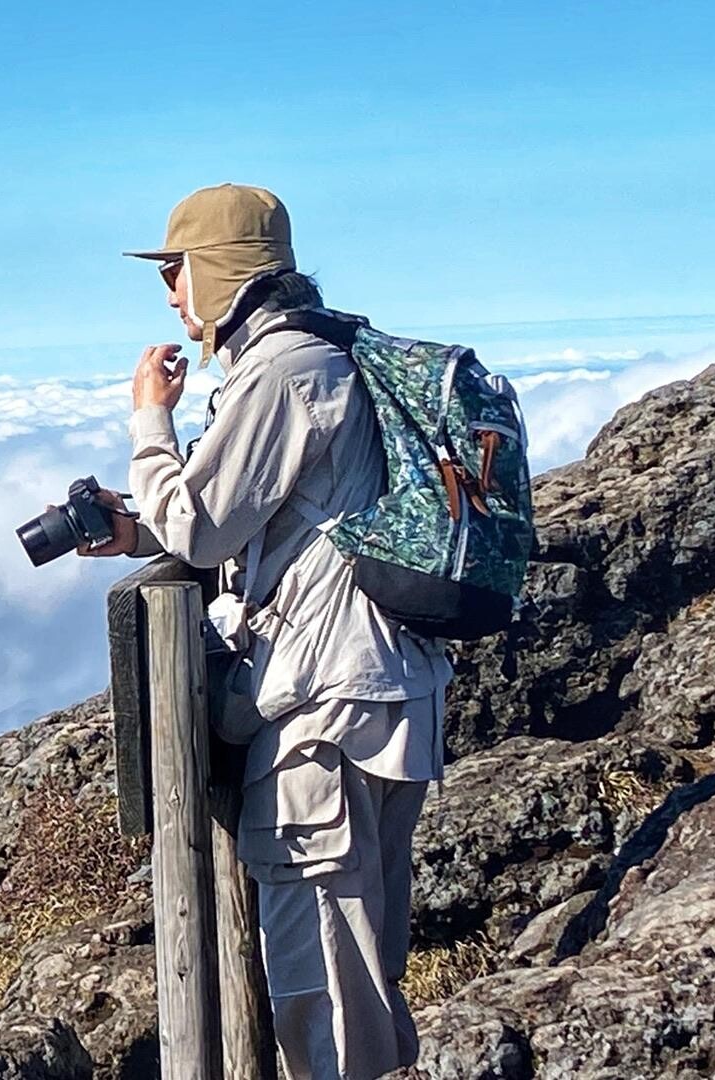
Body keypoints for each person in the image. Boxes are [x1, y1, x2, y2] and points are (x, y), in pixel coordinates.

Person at [84, 184, 452, 1079]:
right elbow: (276, 522)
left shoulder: (286, 369)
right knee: (360, 969)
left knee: (320, 982)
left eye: (176, 270)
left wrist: (148, 418)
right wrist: (137, 533)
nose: (171, 294)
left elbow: (204, 527)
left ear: (217, 269)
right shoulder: (324, 353)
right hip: (378, 692)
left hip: (326, 708)